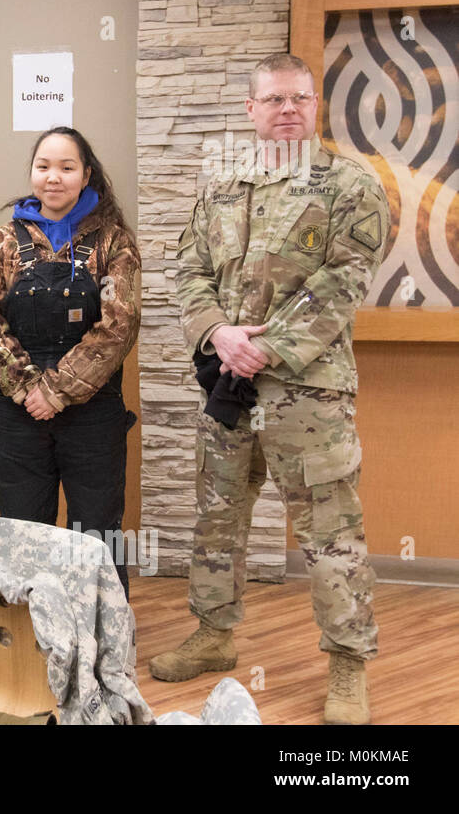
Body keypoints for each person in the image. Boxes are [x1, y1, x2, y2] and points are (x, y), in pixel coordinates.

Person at [151, 53, 389, 725]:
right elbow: (188, 269)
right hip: (229, 387)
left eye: (301, 99)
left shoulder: (349, 186)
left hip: (308, 396)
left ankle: (347, 664)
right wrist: (218, 333)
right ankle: (215, 633)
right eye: (275, 99)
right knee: (217, 518)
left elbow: (342, 282)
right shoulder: (221, 188)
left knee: (330, 533)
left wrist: (266, 348)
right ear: (250, 111)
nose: (289, 109)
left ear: (316, 108)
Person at [0, 126, 141, 596]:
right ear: (32, 172)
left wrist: (57, 391)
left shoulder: (114, 242)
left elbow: (119, 325)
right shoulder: (4, 241)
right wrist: (28, 389)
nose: (54, 177)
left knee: (98, 532)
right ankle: (28, 644)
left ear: (86, 175)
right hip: (19, 411)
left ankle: (104, 640)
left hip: (92, 413)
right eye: (44, 166)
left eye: (67, 167)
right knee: (23, 529)